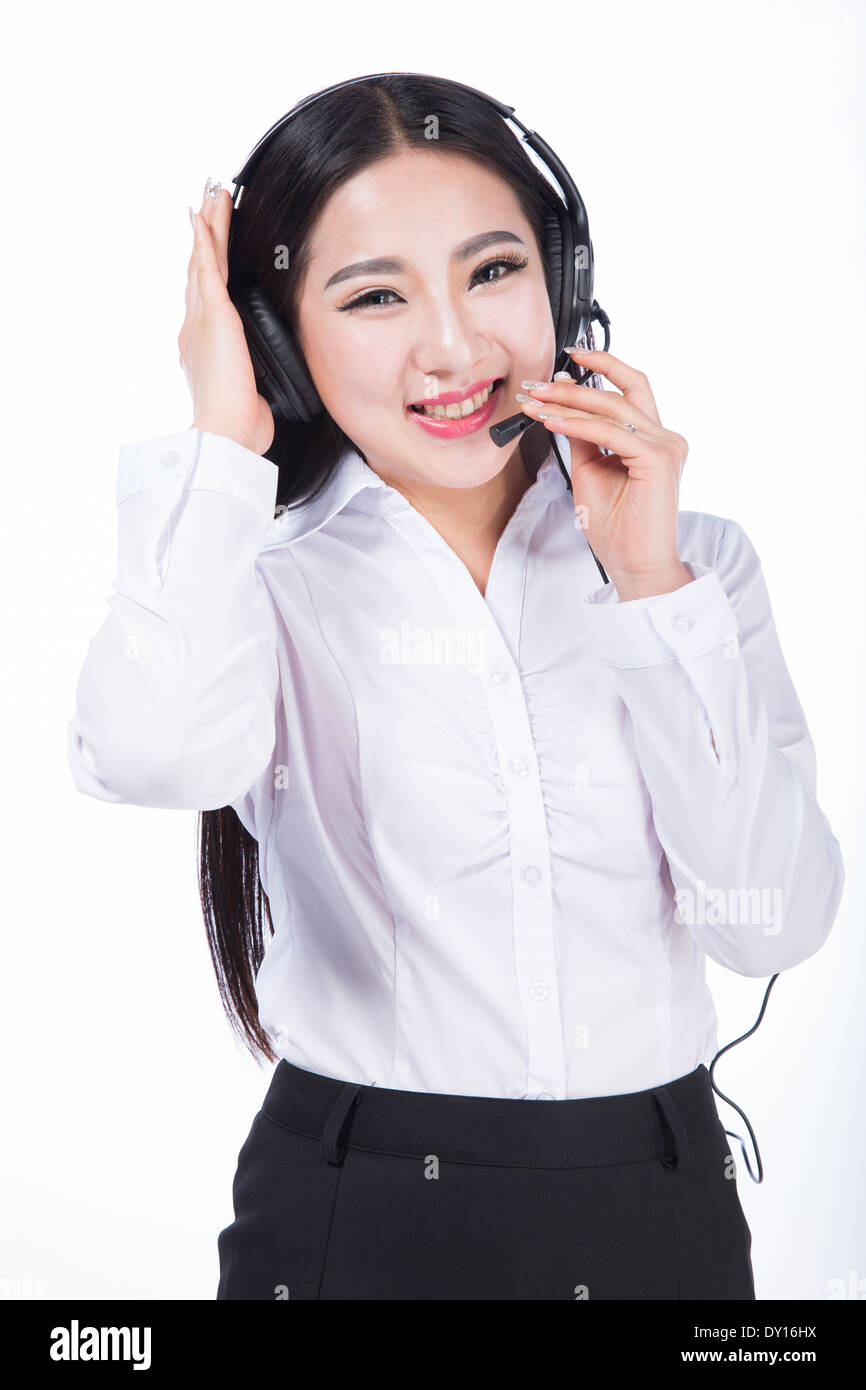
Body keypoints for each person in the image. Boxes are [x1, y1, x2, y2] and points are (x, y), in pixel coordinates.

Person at [66, 74, 845, 1301]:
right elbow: (153, 754)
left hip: (661, 1200)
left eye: (492, 272)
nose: (454, 346)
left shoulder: (697, 569)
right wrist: (223, 430)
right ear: (281, 338)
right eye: (374, 295)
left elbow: (772, 924)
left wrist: (650, 586)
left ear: (563, 281)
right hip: (352, 1206)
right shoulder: (259, 583)